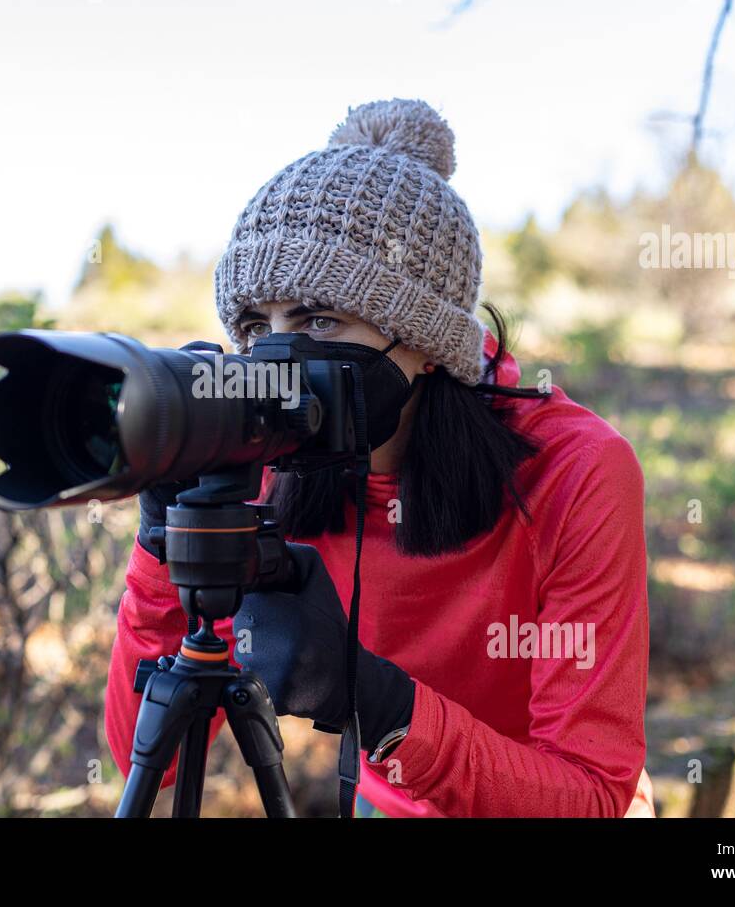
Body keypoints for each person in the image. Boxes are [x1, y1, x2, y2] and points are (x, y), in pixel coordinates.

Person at [105, 98, 653, 817]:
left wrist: (380, 703)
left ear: (426, 340)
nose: (278, 361)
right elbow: (149, 761)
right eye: (253, 327)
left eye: (318, 319)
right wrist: (163, 555)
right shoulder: (271, 463)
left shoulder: (576, 472)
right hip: (389, 800)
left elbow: (589, 794)